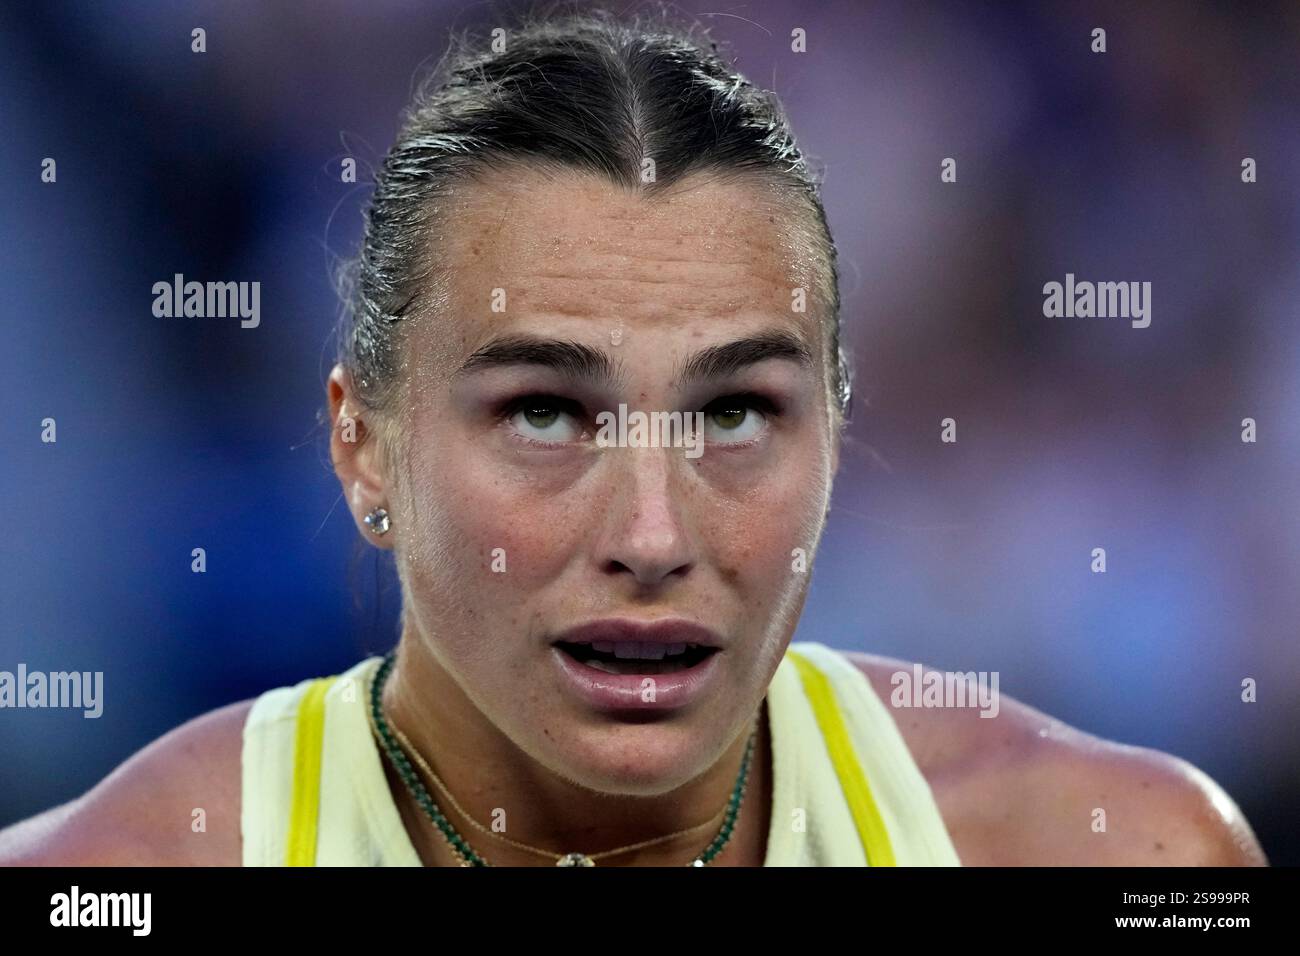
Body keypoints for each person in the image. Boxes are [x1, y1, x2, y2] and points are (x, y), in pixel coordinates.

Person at [0, 10, 1266, 867]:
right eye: (546, 411)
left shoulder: (1113, 847)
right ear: (363, 448)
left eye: (733, 413)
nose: (653, 534)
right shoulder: (119, 878)